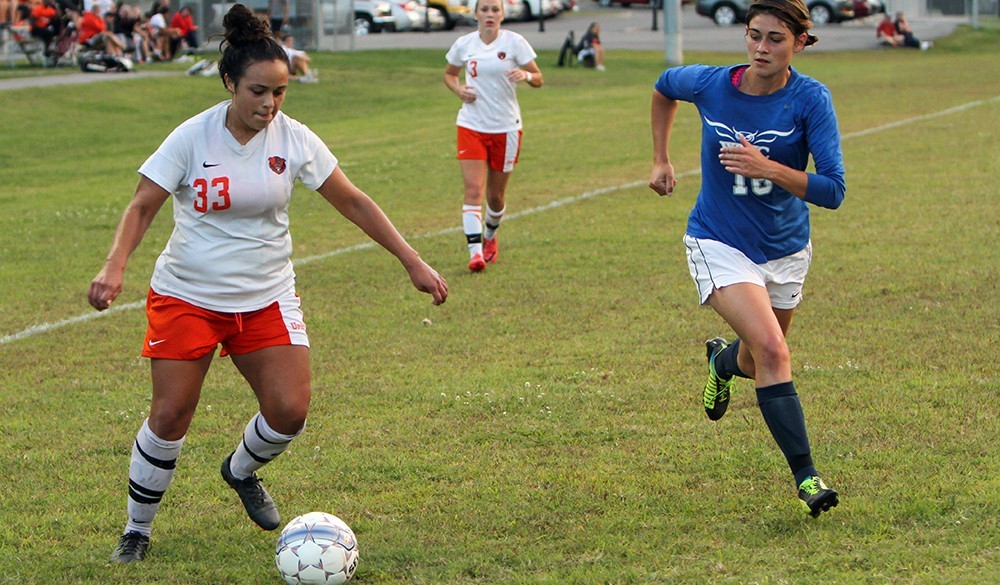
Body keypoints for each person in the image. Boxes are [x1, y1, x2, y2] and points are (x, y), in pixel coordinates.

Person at [90, 2, 448, 564]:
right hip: (189, 295)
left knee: (289, 412)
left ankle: (239, 470)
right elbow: (141, 206)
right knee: (170, 415)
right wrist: (114, 266)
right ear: (230, 82)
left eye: (280, 92)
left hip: (266, 295)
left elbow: (351, 199)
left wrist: (411, 260)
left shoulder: (294, 138)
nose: (269, 104)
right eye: (258, 91)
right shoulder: (192, 137)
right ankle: (137, 530)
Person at [648, 0, 844, 518]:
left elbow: (833, 191)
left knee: (758, 358)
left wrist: (768, 167)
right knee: (776, 354)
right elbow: (664, 86)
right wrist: (661, 157)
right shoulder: (711, 84)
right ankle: (808, 478)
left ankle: (720, 360)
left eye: (775, 39)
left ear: (799, 43)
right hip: (717, 240)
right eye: (754, 35)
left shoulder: (810, 100)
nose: (761, 47)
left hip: (786, 250)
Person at [443, 0, 543, 272]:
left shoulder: (515, 43)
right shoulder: (465, 44)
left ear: (502, 15)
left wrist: (525, 74)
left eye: (495, 9)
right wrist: (458, 90)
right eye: (484, 9)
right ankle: (475, 253)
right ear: (475, 14)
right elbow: (450, 74)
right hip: (471, 125)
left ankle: (490, 237)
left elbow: (538, 77)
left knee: (495, 196)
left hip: (506, 128)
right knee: (473, 190)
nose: (489, 14)